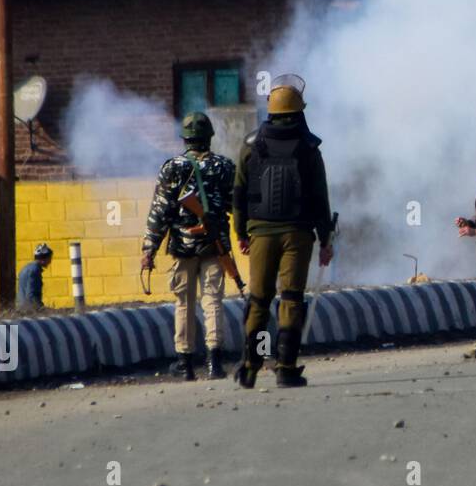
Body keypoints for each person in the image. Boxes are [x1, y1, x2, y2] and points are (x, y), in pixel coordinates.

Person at [232, 75, 335, 389]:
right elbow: (320, 198)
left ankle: (251, 365)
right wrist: (326, 238)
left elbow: (238, 193)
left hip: (260, 233)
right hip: (298, 234)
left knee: (259, 300)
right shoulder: (310, 148)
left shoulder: (250, 146)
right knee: (290, 299)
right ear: (299, 110)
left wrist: (241, 233)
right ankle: (285, 368)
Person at [141, 112, 236, 381]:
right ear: (209, 138)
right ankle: (214, 362)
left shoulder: (173, 167)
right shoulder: (225, 167)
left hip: (183, 247)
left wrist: (149, 248)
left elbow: (161, 212)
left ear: (185, 139)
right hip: (215, 246)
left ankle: (185, 363)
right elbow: (233, 204)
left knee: (184, 303)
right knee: (213, 301)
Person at [16, 243, 54, 312]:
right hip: (29, 310)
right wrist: (41, 309)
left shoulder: (26, 268)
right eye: (50, 258)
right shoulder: (35, 270)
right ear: (44, 258)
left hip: (21, 308)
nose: (50, 262)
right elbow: (31, 294)